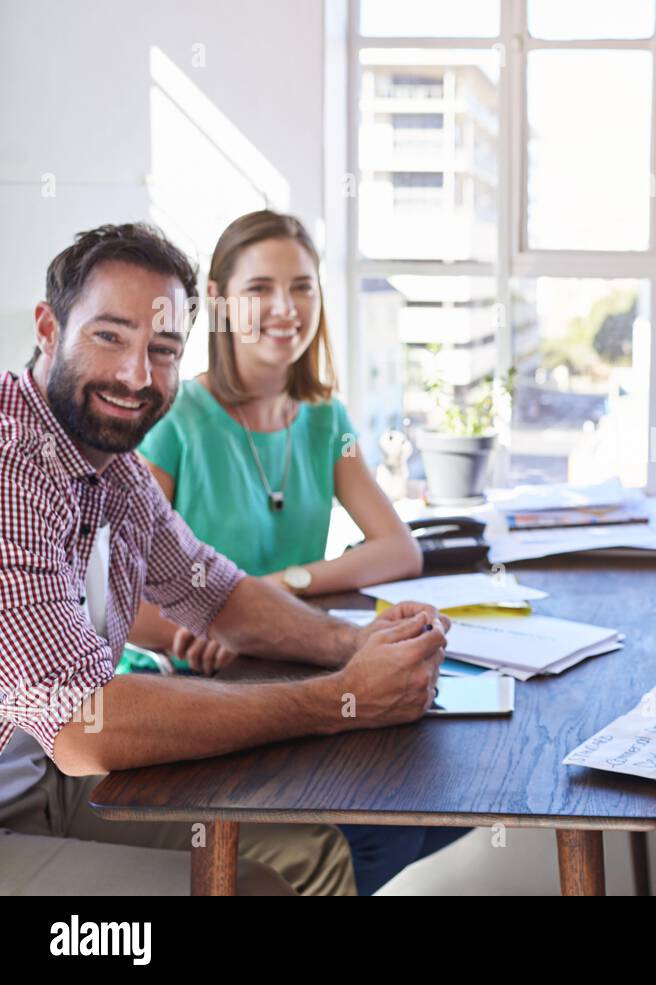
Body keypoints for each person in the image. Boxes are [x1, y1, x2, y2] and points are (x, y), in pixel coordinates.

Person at [0, 222, 449, 895]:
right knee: (257, 885)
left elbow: (218, 592)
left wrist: (356, 644)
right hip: (31, 792)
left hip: (43, 781)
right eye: (109, 336)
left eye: (162, 349)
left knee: (311, 854)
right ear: (47, 326)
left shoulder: (114, 468)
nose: (135, 374)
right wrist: (341, 698)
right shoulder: (13, 466)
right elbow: (83, 722)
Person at [127, 210, 464, 895]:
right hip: (198, 686)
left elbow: (397, 548)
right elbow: (125, 604)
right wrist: (220, 618)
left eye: (303, 287)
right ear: (218, 300)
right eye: (260, 289)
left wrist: (269, 588)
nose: (286, 309)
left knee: (447, 791)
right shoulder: (174, 422)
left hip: (288, 656)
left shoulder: (325, 420)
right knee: (364, 829)